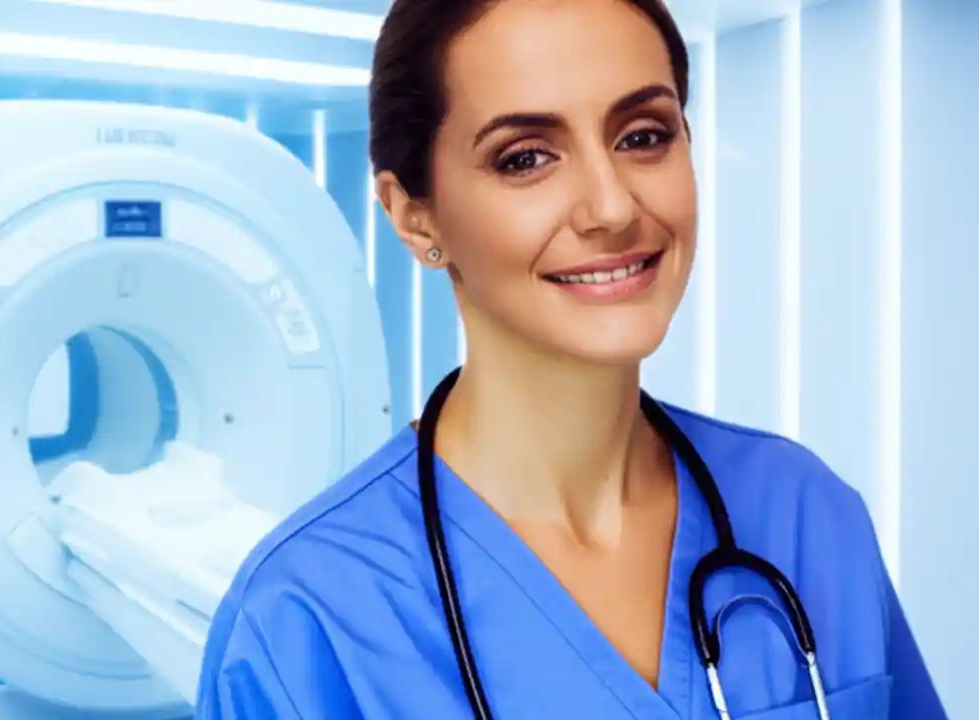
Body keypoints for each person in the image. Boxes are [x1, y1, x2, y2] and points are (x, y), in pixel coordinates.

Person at [194, 0, 946, 717]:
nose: (612, 207)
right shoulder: (305, 620)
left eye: (643, 136)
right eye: (525, 158)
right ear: (413, 215)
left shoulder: (807, 517)